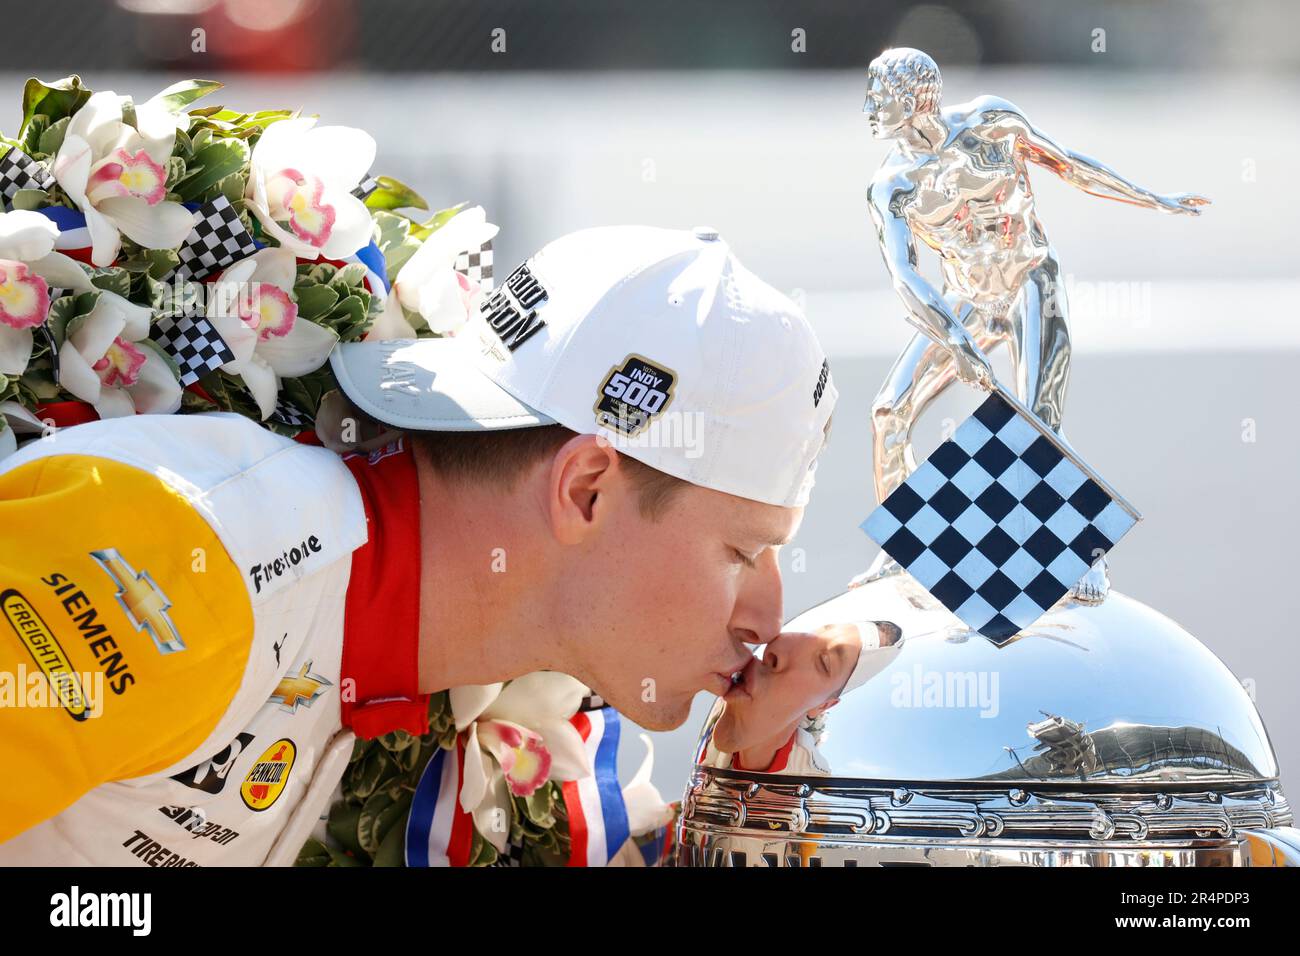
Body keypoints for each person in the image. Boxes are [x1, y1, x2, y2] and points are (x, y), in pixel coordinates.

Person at [0, 224, 838, 864]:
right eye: (740, 552)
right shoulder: (185, 554)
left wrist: (762, 790)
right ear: (586, 489)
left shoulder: (379, 629)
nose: (768, 617)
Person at [861, 47, 1208, 589]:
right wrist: (956, 342)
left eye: (877, 96)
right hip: (968, 300)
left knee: (1035, 418)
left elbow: (1069, 165)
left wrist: (1153, 200)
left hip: (1029, 279)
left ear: (911, 99)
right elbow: (906, 280)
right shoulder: (893, 186)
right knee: (889, 411)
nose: (867, 108)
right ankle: (905, 548)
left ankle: (1082, 554)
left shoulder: (990, 121)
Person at [703, 620, 901, 775]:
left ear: (823, 706)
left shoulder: (809, 793)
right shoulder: (722, 701)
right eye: (811, 635)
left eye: (825, 662)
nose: (774, 648)